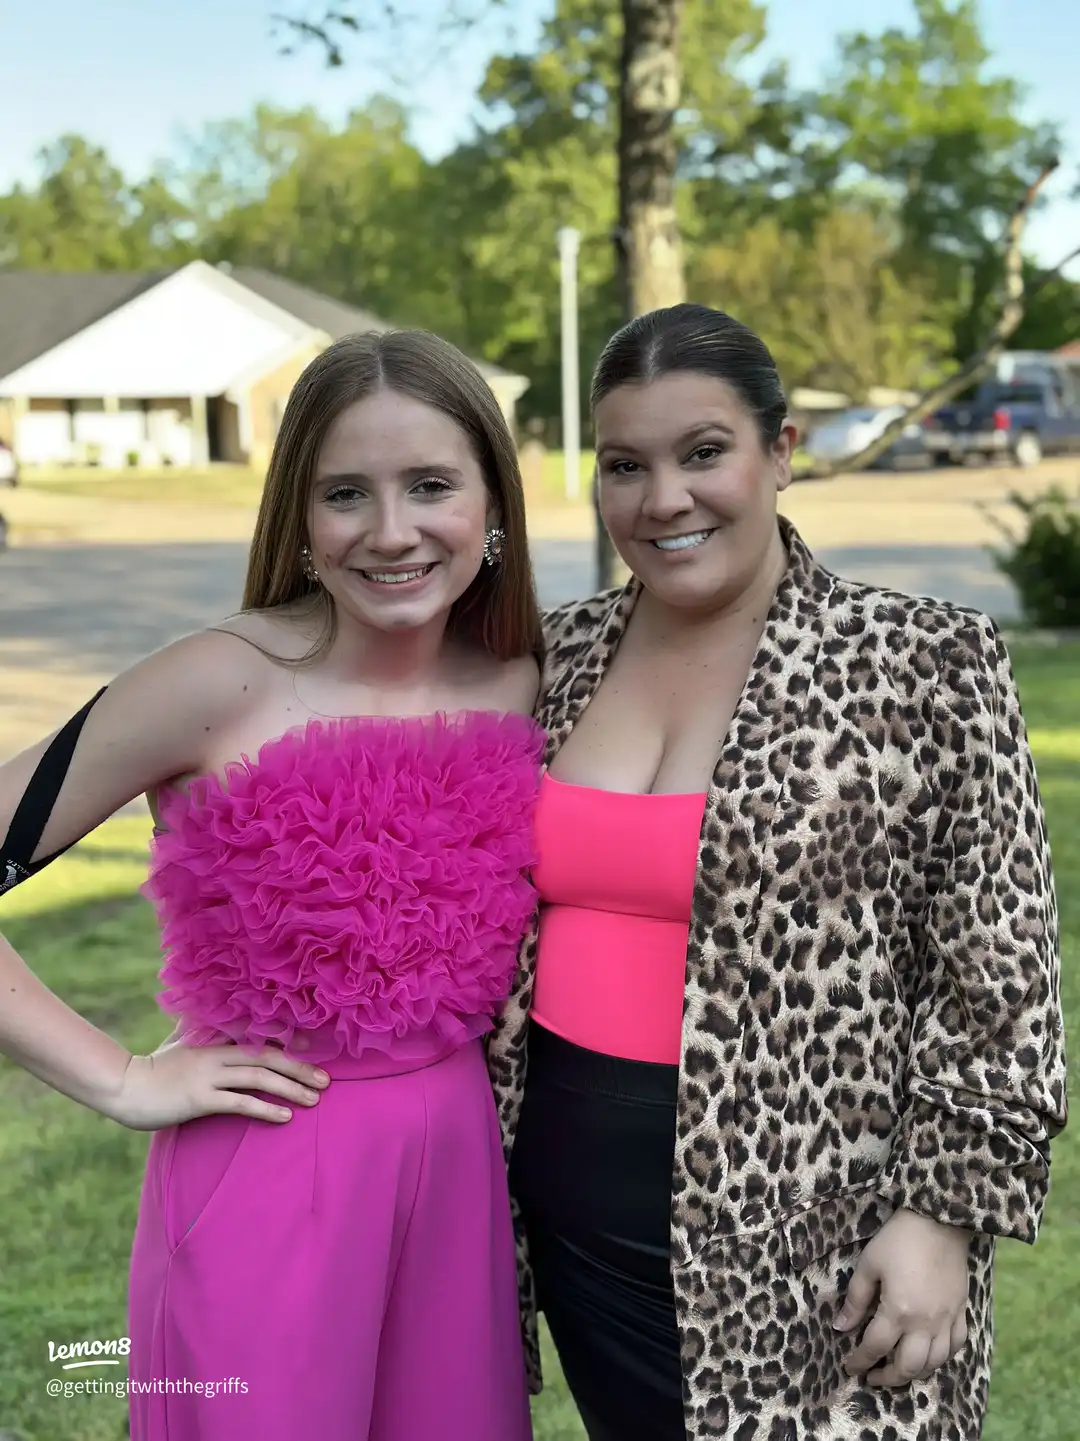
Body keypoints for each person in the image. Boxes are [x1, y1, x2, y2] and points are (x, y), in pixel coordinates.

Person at [487, 303, 1068, 1441]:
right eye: (625, 465)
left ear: (781, 451)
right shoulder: (551, 661)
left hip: (822, 1239)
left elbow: (1002, 975)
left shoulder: (924, 660)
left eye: (704, 452)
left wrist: (942, 1215)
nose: (665, 499)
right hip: (575, 1220)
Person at [0, 330, 545, 1441]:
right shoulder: (215, 679)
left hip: (458, 1181)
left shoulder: (528, 677)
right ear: (298, 514)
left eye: (431, 486)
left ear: (493, 500)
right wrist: (117, 1078)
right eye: (347, 492)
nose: (392, 532)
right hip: (264, 1162)